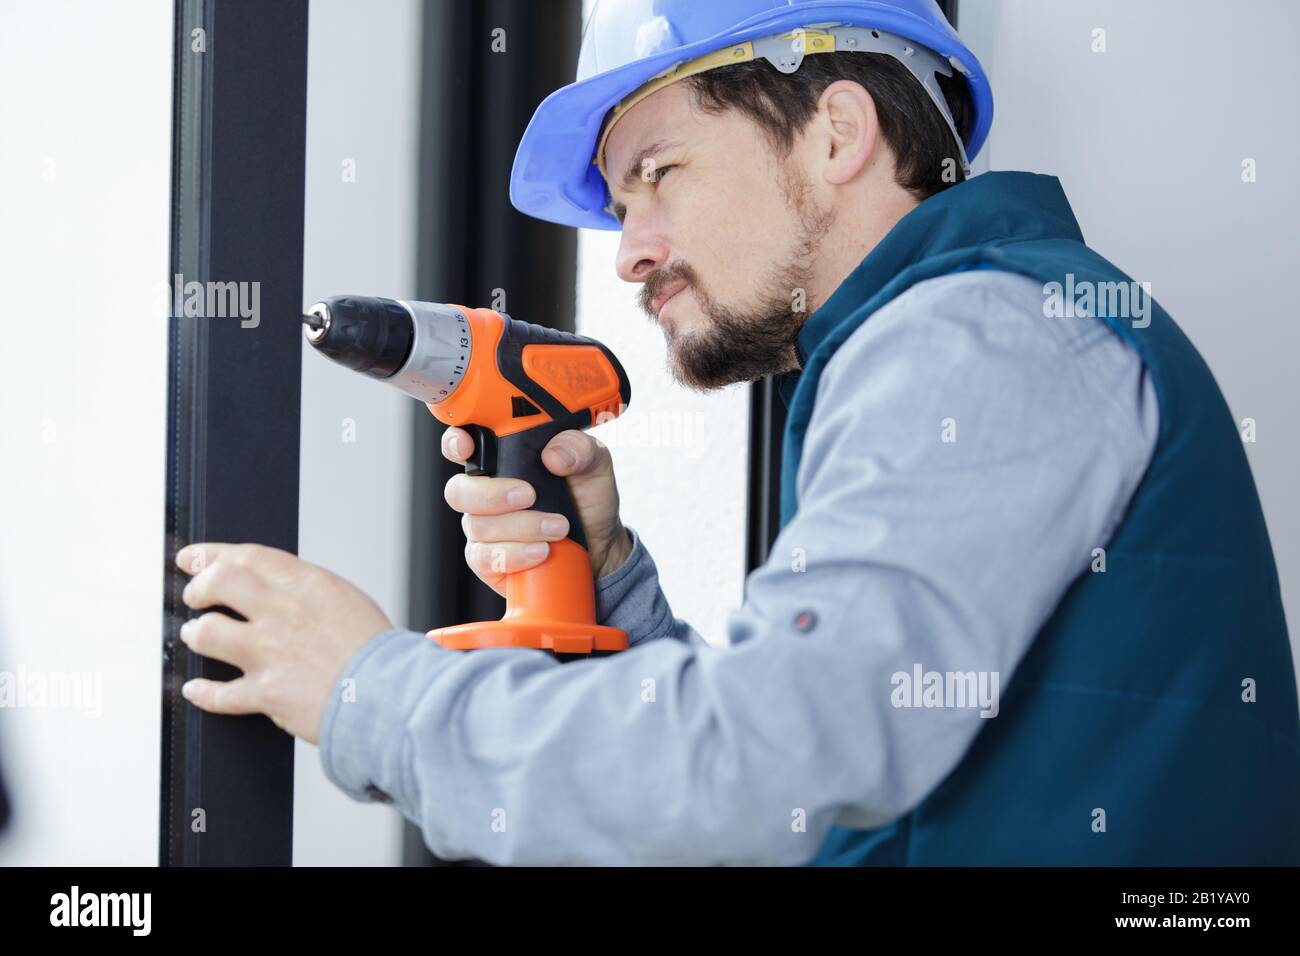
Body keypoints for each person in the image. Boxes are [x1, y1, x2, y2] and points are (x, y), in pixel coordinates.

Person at [174, 0, 1300, 865]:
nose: (627, 251)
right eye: (620, 207)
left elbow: (779, 755)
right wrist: (610, 580)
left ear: (835, 132)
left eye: (657, 174)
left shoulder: (975, 330)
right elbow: (812, 808)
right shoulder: (951, 339)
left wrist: (372, 694)